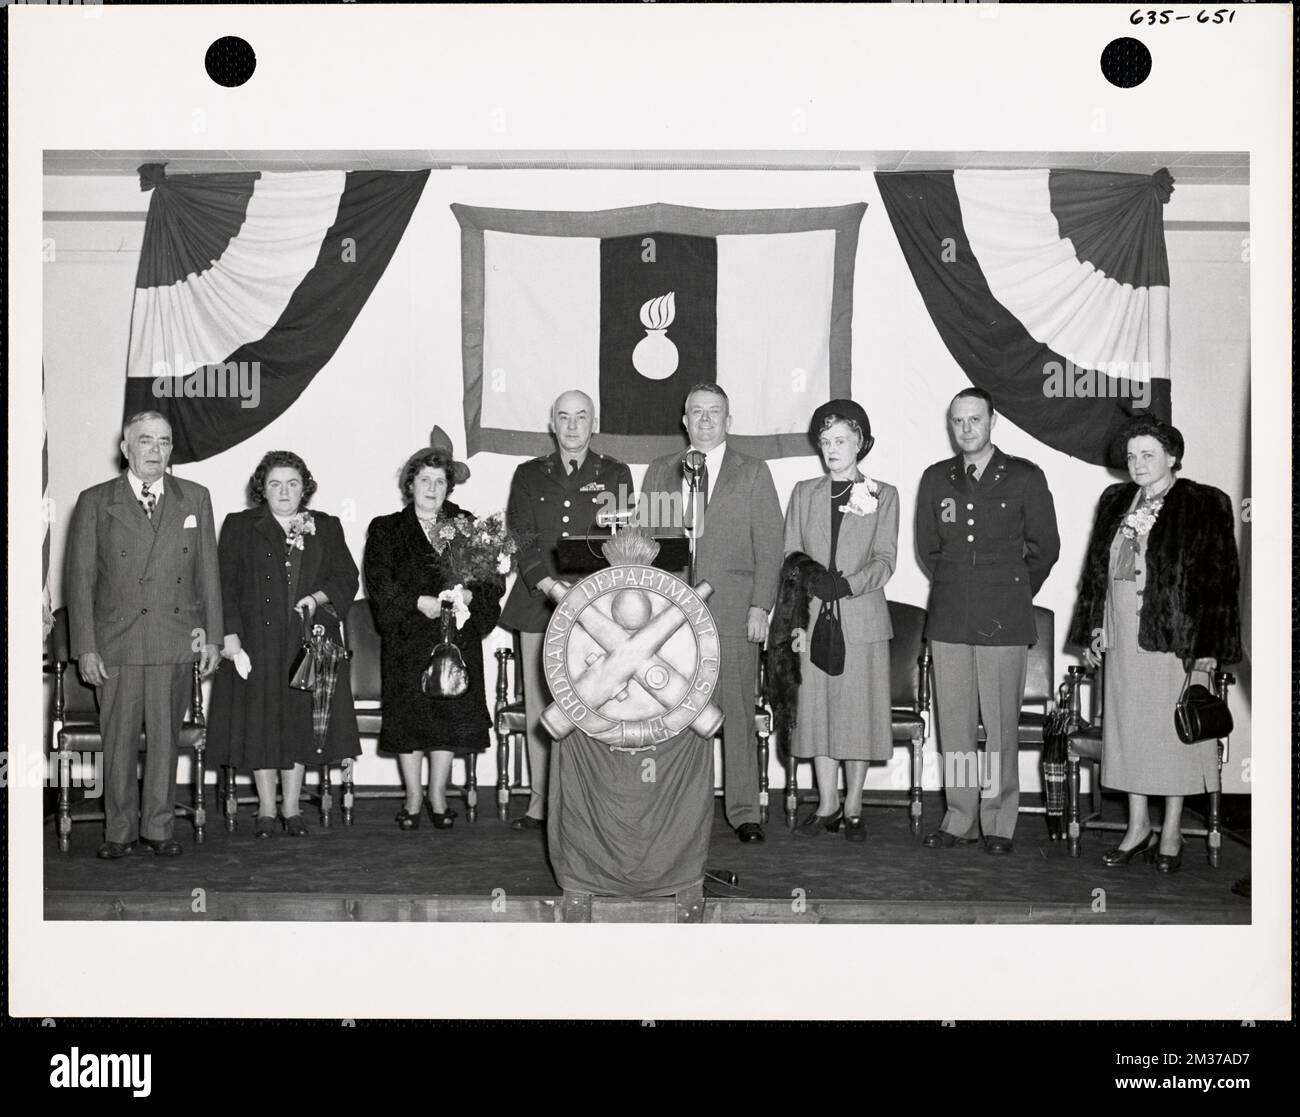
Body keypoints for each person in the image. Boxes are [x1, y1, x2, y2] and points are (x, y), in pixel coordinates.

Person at [1068, 416, 1242, 874]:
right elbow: (1095, 575)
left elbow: (1221, 581)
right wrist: (1092, 629)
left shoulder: (1205, 503)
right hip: (1123, 637)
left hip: (1178, 643)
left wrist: (1210, 646)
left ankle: (1170, 832)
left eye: (1148, 455)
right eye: (1131, 456)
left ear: (1172, 458)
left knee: (1173, 739)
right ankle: (1137, 827)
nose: (1138, 464)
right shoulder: (1114, 501)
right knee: (1129, 737)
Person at [64, 411, 222, 858]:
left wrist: (212, 636)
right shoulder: (95, 501)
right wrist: (86, 648)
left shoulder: (195, 497)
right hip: (118, 643)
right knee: (118, 741)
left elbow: (208, 573)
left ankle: (158, 828)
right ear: (126, 448)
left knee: (166, 740)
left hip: (175, 638)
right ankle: (119, 832)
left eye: (164, 442)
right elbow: (79, 583)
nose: (155, 451)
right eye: (146, 441)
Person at [917, 388, 1060, 855]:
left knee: (999, 727)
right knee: (955, 728)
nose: (965, 429)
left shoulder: (1023, 476)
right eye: (957, 421)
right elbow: (929, 549)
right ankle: (960, 816)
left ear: (992, 421)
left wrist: (1011, 593)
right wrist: (964, 590)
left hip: (1005, 619)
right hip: (951, 619)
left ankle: (998, 821)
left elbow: (1045, 547)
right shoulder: (936, 478)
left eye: (974, 420)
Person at [640, 382, 784, 842]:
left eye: (714, 412)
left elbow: (771, 547)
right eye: (696, 412)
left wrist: (762, 605)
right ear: (683, 420)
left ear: (729, 421)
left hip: (733, 611)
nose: (704, 420)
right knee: (675, 711)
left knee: (737, 712)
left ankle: (744, 812)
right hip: (670, 618)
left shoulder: (753, 472)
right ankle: (681, 808)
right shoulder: (660, 473)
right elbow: (644, 543)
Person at [207, 451, 361, 838]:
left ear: (304, 487)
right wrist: (230, 636)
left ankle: (291, 810)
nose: (284, 491)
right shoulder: (241, 525)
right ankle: (265, 809)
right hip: (254, 644)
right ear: (262, 488)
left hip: (308, 642)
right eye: (275, 483)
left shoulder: (325, 525)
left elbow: (347, 577)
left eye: (293, 483)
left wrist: (318, 598)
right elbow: (223, 583)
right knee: (260, 725)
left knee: (298, 725)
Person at [499, 390, 633, 831]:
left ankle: (590, 804)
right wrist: (549, 585)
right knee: (542, 708)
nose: (572, 425)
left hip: (596, 608)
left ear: (593, 423)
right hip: (538, 601)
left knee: (596, 703)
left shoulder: (615, 473)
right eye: (564, 417)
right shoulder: (528, 474)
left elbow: (622, 540)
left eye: (581, 417)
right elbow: (522, 538)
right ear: (551, 424)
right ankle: (540, 802)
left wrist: (591, 593)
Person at [363, 433, 504, 830]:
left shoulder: (467, 525)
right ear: (410, 484)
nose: (432, 488)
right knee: (410, 719)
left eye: (440, 481)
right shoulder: (386, 529)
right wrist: (415, 602)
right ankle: (411, 799)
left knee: (445, 716)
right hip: (408, 638)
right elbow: (379, 580)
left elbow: (492, 580)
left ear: (449, 487)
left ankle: (438, 797)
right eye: (424, 480)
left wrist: (471, 596)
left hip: (454, 639)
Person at [777, 400, 898, 841]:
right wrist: (794, 619)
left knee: (857, 714)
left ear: (861, 443)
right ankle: (827, 803)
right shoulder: (803, 492)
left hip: (861, 619)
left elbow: (886, 560)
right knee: (818, 713)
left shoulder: (884, 494)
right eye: (826, 442)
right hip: (810, 619)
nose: (832, 449)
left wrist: (846, 586)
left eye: (841, 441)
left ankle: (853, 806)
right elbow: (791, 556)